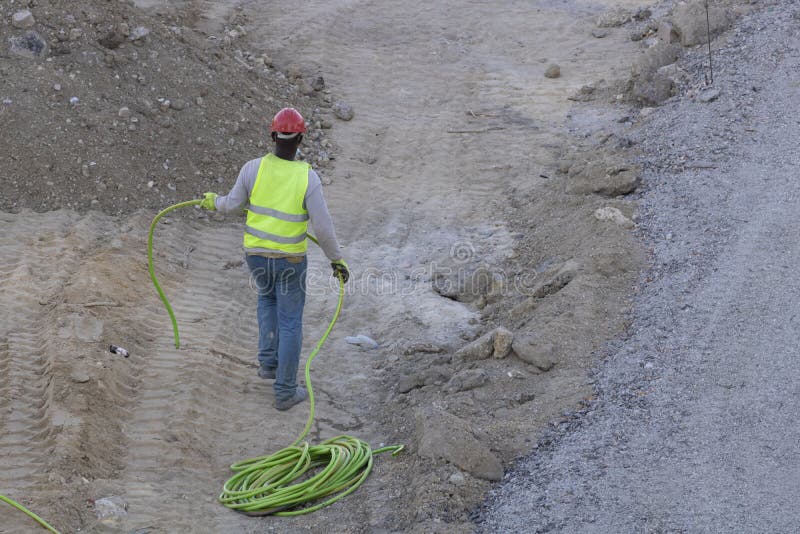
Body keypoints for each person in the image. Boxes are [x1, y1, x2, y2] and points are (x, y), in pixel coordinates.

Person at [200, 107, 349, 411]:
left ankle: (268, 365)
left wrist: (212, 201)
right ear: (300, 139)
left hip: (256, 257)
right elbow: (322, 226)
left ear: (272, 135)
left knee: (266, 302)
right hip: (290, 262)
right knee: (291, 321)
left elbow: (231, 205)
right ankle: (284, 390)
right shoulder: (308, 177)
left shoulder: (252, 168)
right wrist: (337, 260)